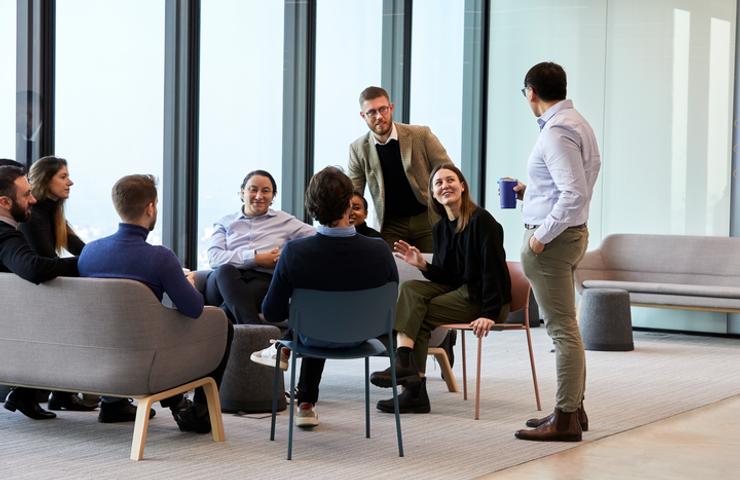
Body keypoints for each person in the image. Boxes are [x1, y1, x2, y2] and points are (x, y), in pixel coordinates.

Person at [78, 174, 233, 433]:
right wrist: (191, 283)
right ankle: (198, 410)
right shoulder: (159, 257)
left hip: (100, 359)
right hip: (149, 363)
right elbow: (194, 309)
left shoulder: (89, 252)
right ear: (151, 207)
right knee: (223, 324)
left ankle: (113, 403)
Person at [260, 166, 398, 428]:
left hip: (314, 338)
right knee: (322, 320)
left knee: (313, 324)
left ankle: (300, 393)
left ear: (312, 207)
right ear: (349, 204)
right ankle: (306, 402)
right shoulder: (379, 250)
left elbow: (272, 313)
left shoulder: (294, 252)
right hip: (363, 336)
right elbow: (392, 301)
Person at [370, 163, 512, 414]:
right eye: (438, 183)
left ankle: (413, 389)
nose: (445, 185)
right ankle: (405, 364)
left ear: (462, 186)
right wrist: (423, 264)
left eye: (450, 180)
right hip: (459, 292)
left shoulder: (483, 222)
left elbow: (494, 270)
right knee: (411, 289)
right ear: (433, 194)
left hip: (486, 300)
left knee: (419, 315)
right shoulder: (440, 228)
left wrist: (489, 313)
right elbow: (449, 277)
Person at [512, 62, 601, 442]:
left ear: (531, 91)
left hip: (552, 241)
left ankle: (564, 419)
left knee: (562, 330)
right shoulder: (577, 122)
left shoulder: (555, 132)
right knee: (567, 327)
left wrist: (541, 236)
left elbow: (573, 193)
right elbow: (577, 181)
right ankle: (573, 408)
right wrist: (529, 193)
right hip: (569, 233)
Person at [19, 156, 97, 412]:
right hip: (33, 294)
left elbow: (80, 250)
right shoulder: (34, 216)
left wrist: (102, 258)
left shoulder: (51, 212)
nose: (70, 182)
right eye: (63, 177)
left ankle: (59, 394)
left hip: (42, 292)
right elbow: (45, 262)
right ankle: (25, 394)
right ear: (45, 180)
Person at [0, 165, 78, 421]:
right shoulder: (6, 237)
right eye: (26, 195)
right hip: (14, 325)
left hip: (15, 319)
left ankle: (31, 393)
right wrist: (83, 264)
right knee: (73, 319)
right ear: (4, 202)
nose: (32, 200)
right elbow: (33, 268)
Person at [205, 170, 315, 325]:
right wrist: (257, 258)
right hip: (222, 282)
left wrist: (285, 254)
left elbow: (316, 239)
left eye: (266, 191)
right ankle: (256, 330)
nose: (259, 196)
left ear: (273, 196)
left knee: (252, 291)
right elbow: (215, 258)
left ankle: (242, 329)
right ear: (242, 192)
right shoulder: (225, 222)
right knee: (225, 270)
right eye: (253, 189)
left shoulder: (285, 221)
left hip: (261, 281)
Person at [349, 86, 451, 252]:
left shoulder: (421, 135)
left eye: (383, 109)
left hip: (426, 217)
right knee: (395, 273)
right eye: (372, 112)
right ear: (363, 115)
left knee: (435, 269)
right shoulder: (358, 148)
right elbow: (354, 193)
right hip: (390, 225)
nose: (379, 116)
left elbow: (448, 172)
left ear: (391, 107)